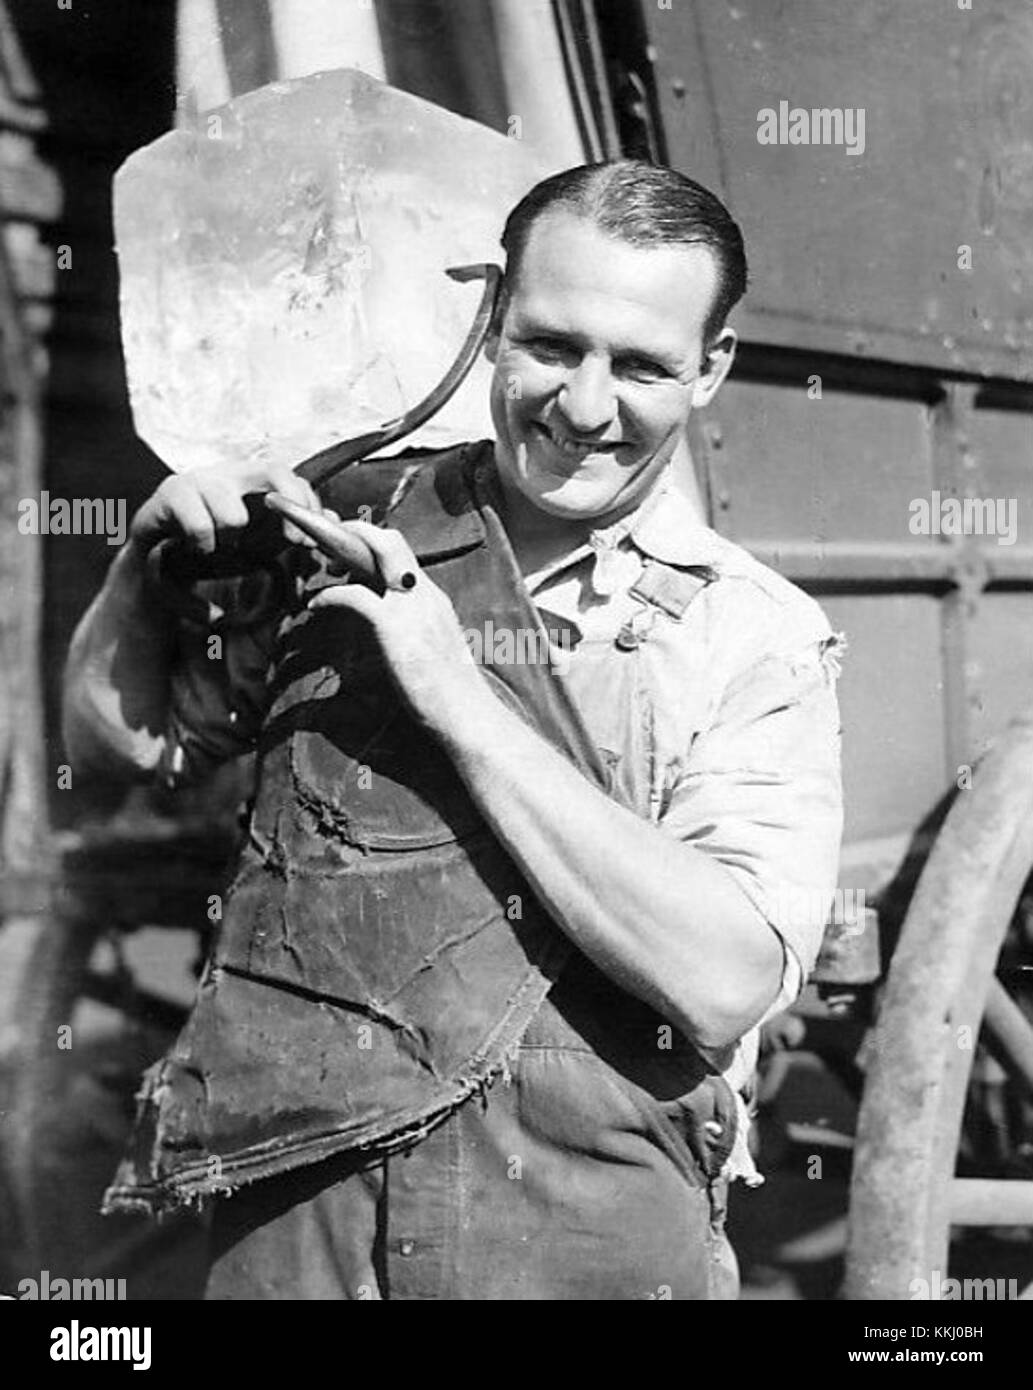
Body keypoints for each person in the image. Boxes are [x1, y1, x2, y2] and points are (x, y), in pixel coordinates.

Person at [63, 159, 843, 1301]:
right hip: (300, 1217)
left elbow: (723, 979)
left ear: (710, 369)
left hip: (578, 1232)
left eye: (640, 366)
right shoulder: (343, 524)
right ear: (489, 322)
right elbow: (118, 752)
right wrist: (143, 568)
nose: (584, 406)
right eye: (549, 345)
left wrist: (457, 696)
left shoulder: (748, 631)